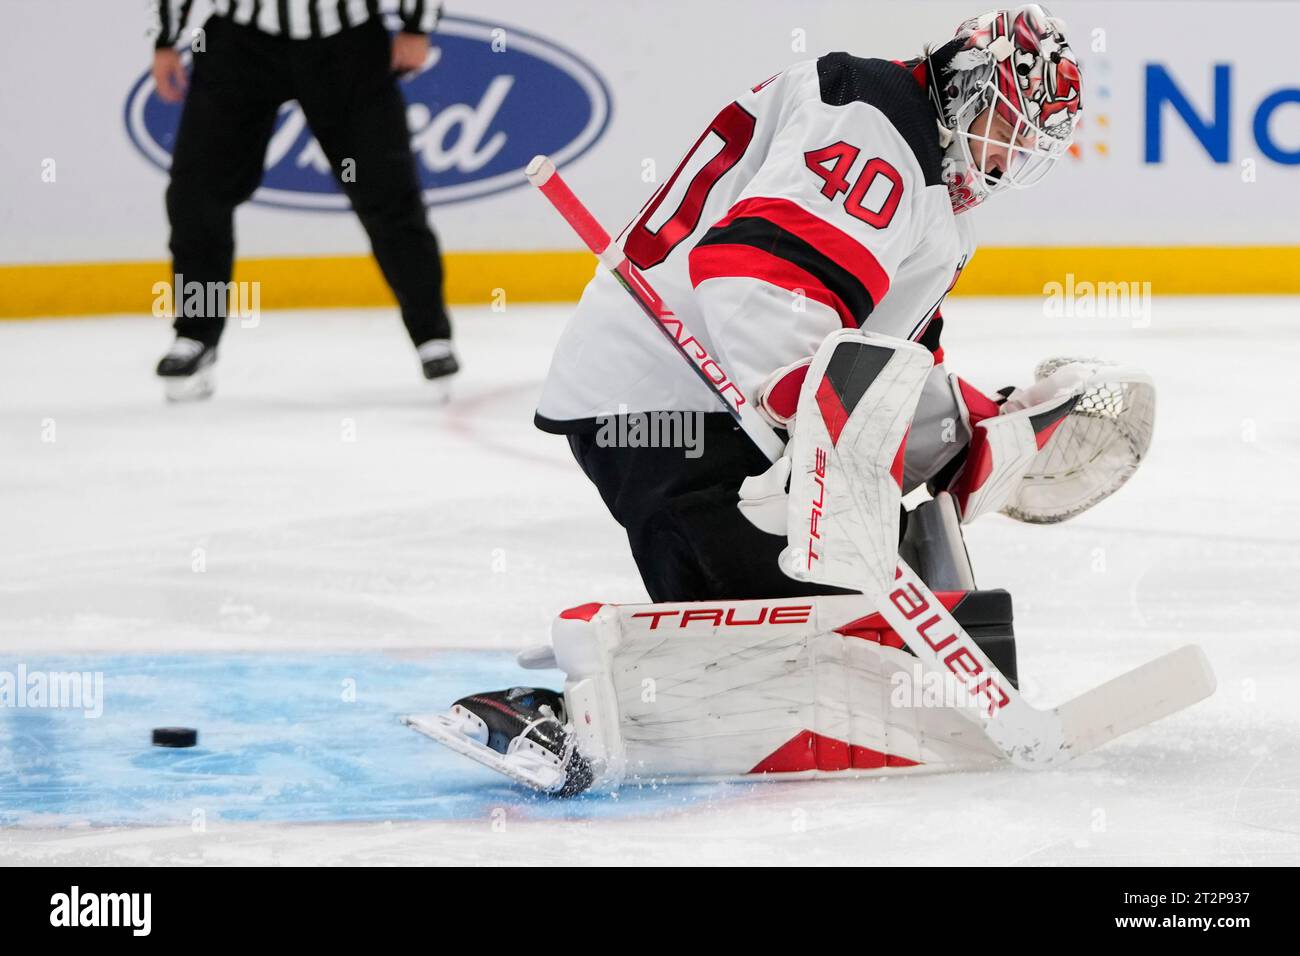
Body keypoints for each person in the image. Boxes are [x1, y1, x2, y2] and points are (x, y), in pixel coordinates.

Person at [427, 5, 1087, 787]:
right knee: (811, 632)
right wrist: (815, 409)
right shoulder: (880, 124)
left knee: (852, 614)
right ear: (972, 89)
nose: (1007, 162)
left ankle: (656, 685)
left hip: (706, 396)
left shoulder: (926, 185)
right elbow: (755, 277)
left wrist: (978, 418)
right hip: (666, 397)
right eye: (1008, 129)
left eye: (1025, 148)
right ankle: (561, 711)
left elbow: (884, 357)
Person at [149, 1, 457, 401]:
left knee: (387, 191)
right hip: (241, 42)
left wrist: (417, 24)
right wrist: (165, 40)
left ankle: (431, 336)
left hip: (346, 43)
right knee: (196, 194)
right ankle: (194, 334)